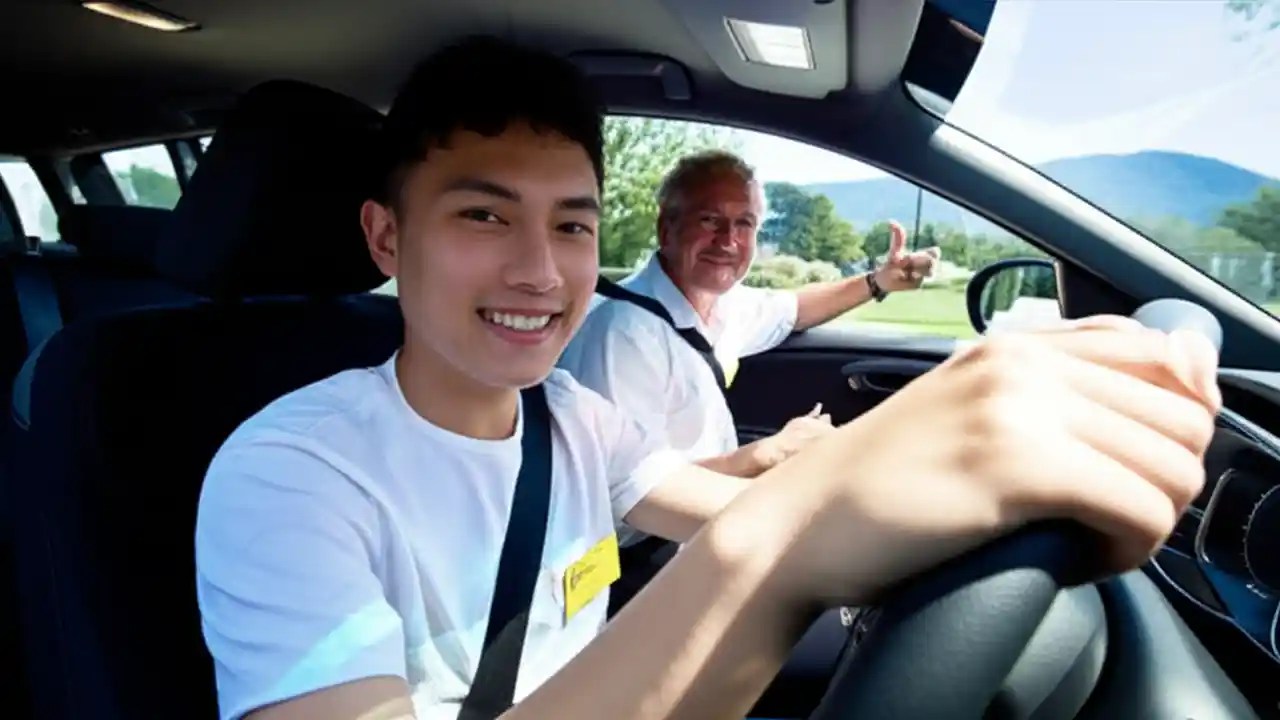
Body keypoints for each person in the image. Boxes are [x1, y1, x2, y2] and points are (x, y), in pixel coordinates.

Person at [194, 35, 1222, 720]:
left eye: (571, 225)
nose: (539, 271)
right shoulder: (289, 473)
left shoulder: (570, 418)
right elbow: (767, 527)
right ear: (386, 236)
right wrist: (783, 545)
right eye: (482, 216)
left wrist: (925, 458)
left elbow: (716, 502)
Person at [560, 150, 941, 476]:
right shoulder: (622, 336)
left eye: (744, 223)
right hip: (654, 550)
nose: (728, 240)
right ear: (666, 229)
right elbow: (626, 497)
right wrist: (769, 454)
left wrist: (879, 281)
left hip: (704, 515)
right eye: (709, 220)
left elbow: (794, 309)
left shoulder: (724, 306)